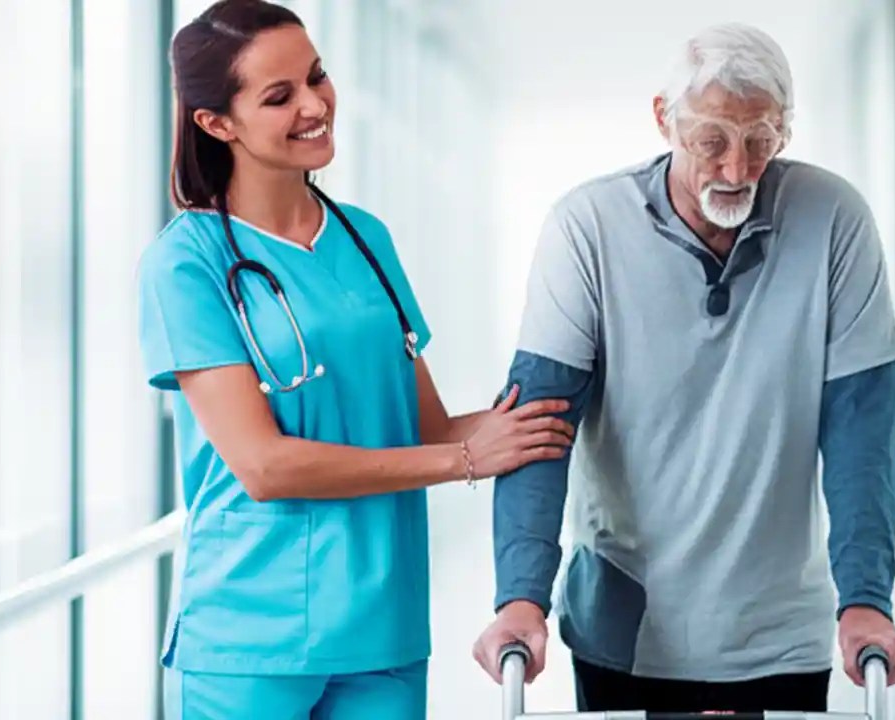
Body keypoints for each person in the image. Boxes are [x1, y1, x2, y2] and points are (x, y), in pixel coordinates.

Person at [137, 2, 574, 718]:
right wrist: (467, 462)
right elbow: (264, 465)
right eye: (279, 97)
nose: (315, 105)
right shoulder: (186, 263)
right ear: (217, 123)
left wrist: (539, 420)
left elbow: (423, 424)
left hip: (383, 633)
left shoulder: (364, 238)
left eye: (317, 77)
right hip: (249, 640)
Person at [472, 22, 895, 714]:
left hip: (779, 632)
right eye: (711, 139)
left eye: (761, 140)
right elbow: (540, 425)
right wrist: (520, 596)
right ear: (664, 119)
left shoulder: (835, 221)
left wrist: (865, 598)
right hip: (627, 626)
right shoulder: (587, 228)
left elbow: (864, 427)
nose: (737, 169)